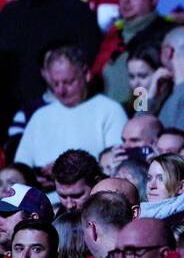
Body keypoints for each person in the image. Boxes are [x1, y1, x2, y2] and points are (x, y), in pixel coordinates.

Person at [15, 47, 126, 175]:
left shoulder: (110, 110)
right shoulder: (40, 117)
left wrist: (67, 172)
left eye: (68, 82)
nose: (61, 91)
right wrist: (35, 178)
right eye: (55, 84)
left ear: (86, 74)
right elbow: (20, 169)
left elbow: (117, 164)